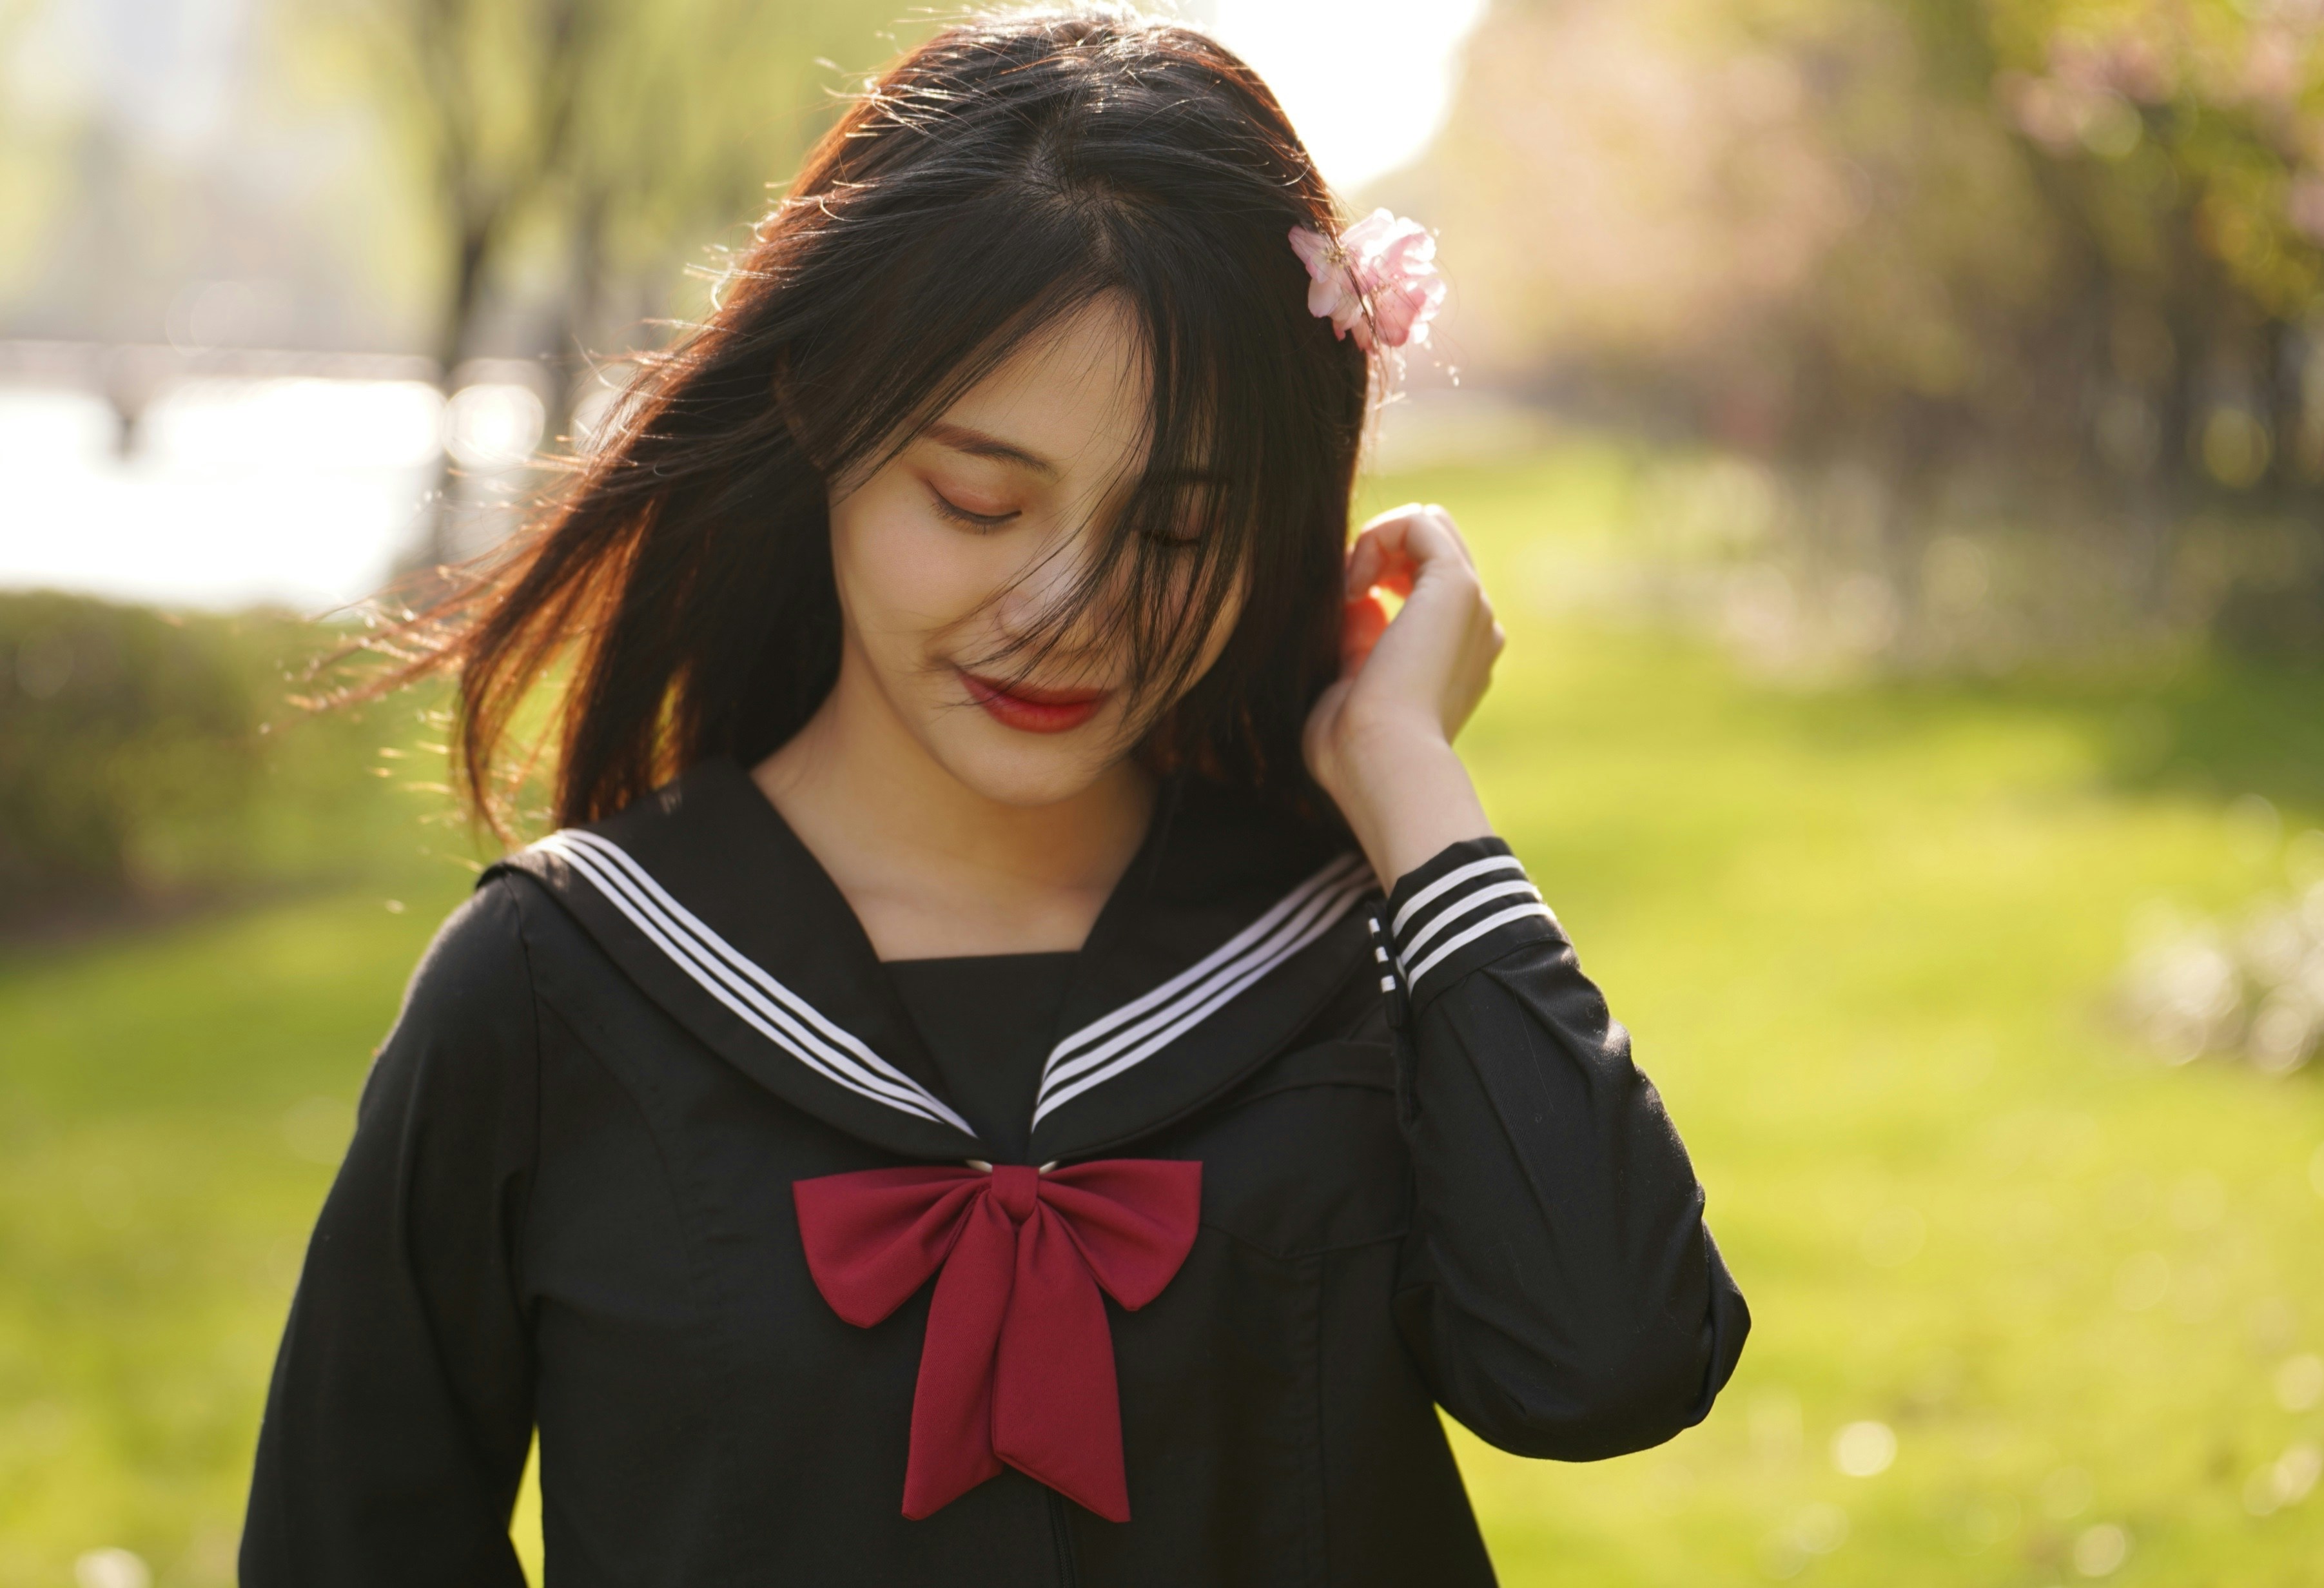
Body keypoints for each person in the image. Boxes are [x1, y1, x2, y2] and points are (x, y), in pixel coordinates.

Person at [239, 8, 1749, 1584]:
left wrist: (1409, 784)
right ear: (824, 409)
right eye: (975, 500)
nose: (1063, 609)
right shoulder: (558, 991)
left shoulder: (1349, 962)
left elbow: (1611, 1361)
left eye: (1174, 533)